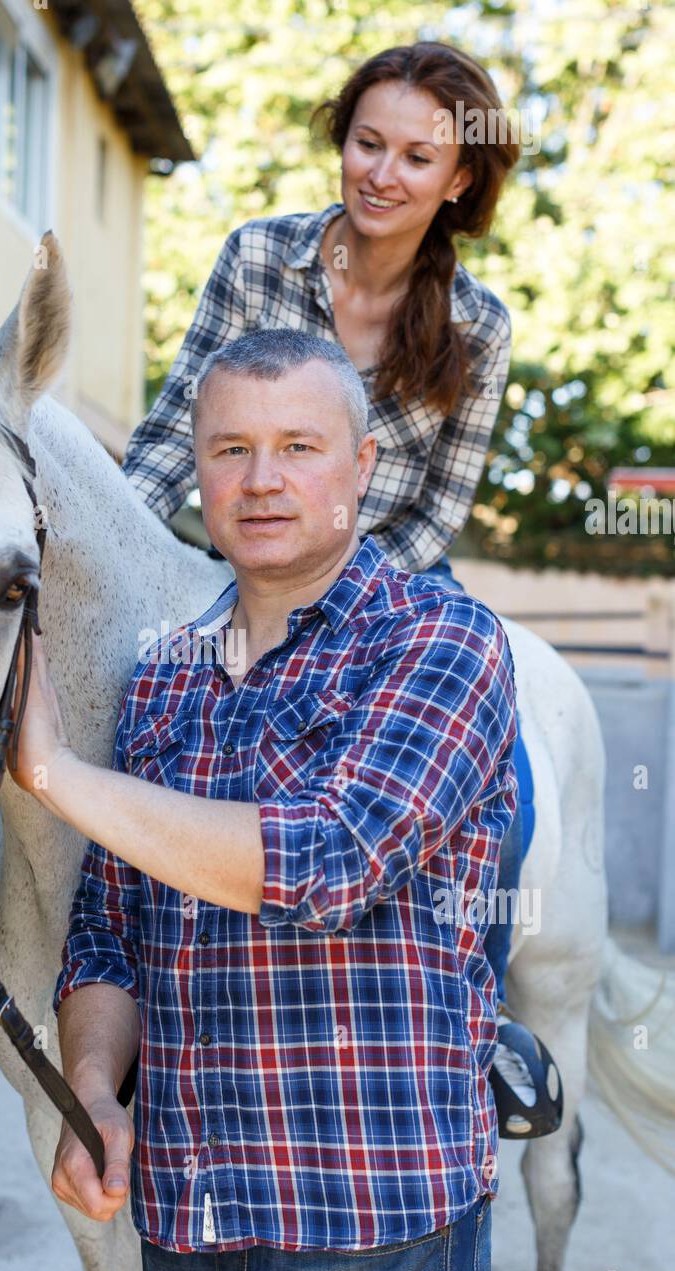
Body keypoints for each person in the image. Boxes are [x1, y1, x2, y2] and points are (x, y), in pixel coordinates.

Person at [8, 328, 514, 1271]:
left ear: (358, 466)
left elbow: (330, 861)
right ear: (196, 466)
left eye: (298, 446)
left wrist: (54, 771)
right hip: (187, 1225)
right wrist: (90, 1086)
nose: (260, 479)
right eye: (229, 449)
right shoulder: (160, 680)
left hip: (373, 1233)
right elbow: (108, 938)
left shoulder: (438, 640)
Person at [117, 40, 561, 1138]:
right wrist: (127, 542)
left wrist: (326, 604)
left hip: (391, 577)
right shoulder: (256, 254)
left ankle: (478, 1015)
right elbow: (183, 423)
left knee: (497, 776)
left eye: (417, 156)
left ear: (457, 180)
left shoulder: (479, 326)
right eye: (368, 143)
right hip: (231, 562)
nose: (383, 173)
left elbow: (436, 507)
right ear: (341, 141)